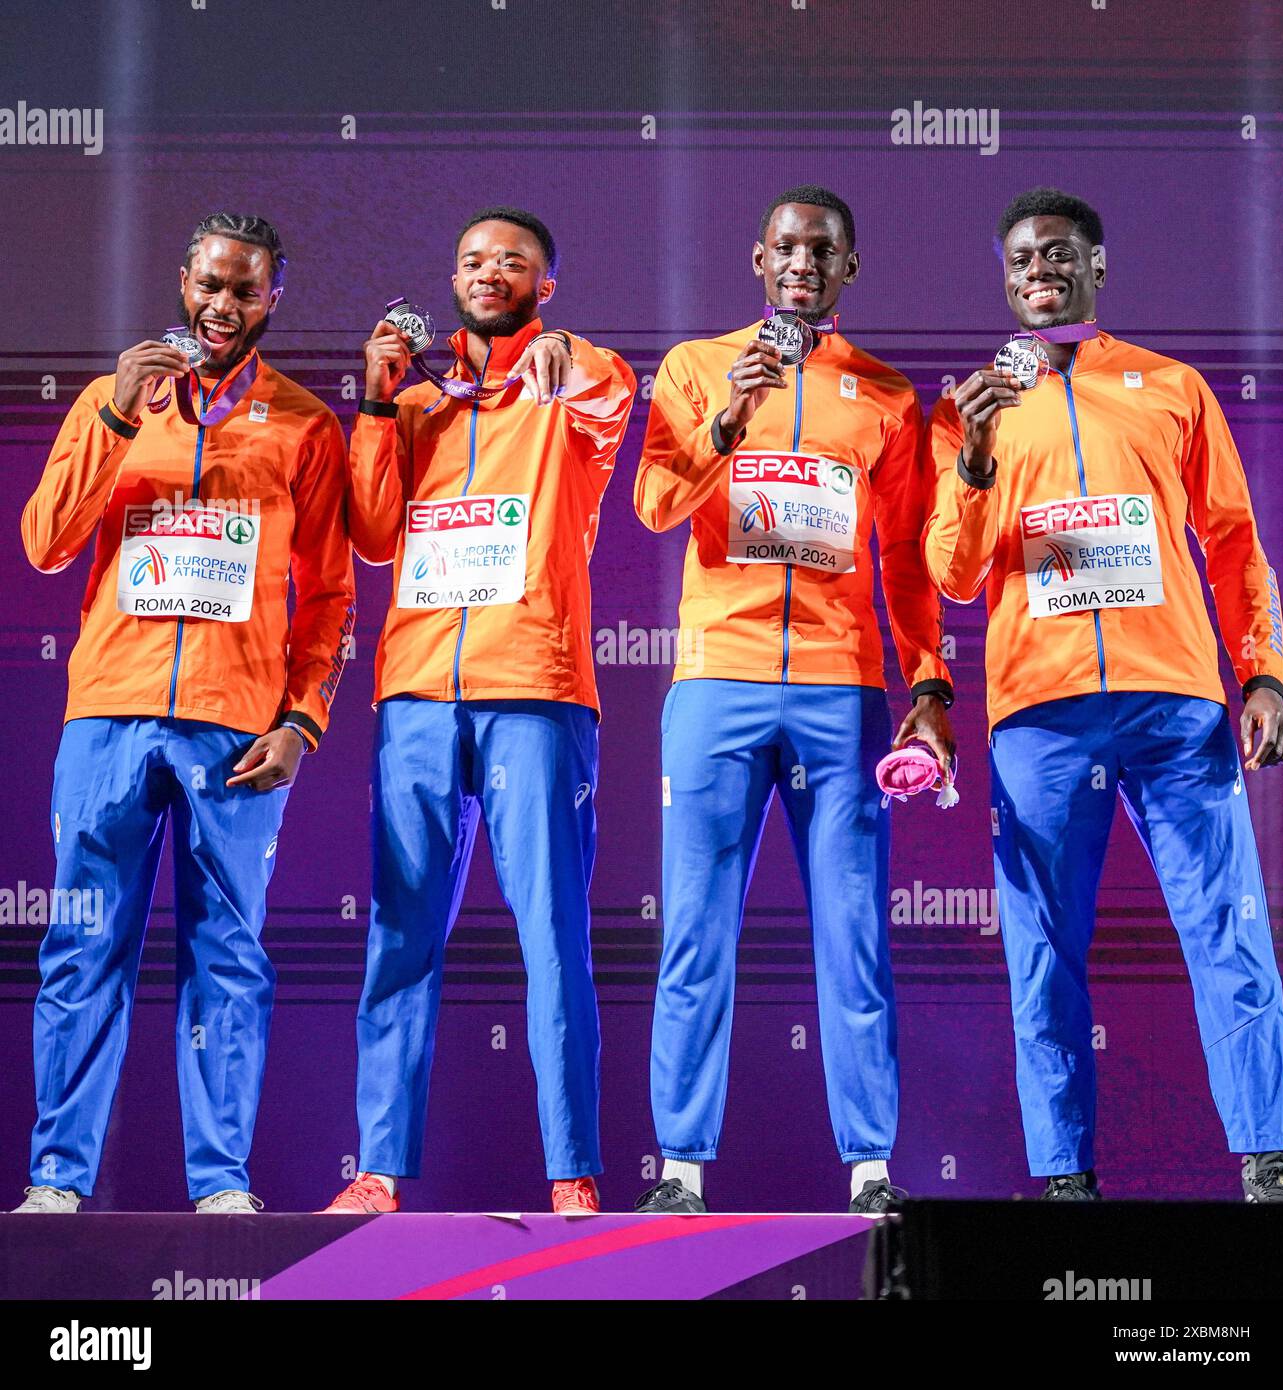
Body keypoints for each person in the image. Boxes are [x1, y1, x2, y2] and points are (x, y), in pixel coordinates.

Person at [924, 186, 1283, 1202]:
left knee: (1225, 921)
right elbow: (950, 574)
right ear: (1003, 282)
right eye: (1018, 259)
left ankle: (1269, 1158)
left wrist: (1259, 669)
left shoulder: (1170, 387)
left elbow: (1231, 540)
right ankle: (1063, 1176)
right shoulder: (970, 412)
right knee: (1041, 948)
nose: (1036, 269)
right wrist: (967, 462)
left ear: (1096, 265)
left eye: (1055, 252)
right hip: (1039, 714)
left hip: (1173, 700)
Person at [15, 212, 356, 1214]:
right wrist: (118, 419)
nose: (222, 306)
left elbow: (330, 593)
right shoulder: (110, 401)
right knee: (82, 948)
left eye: (245, 291)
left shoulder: (303, 423)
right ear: (183, 279)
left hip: (234, 726)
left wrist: (301, 722)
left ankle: (220, 1188)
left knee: (229, 959)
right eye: (210, 284)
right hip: (109, 714)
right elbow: (43, 541)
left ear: (272, 298)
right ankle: (55, 1181)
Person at [632, 186, 955, 1214]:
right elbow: (652, 506)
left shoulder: (887, 398)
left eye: (822, 250)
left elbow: (905, 560)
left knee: (851, 932)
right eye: (784, 247)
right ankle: (679, 1170)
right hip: (716, 682)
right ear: (756, 259)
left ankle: (869, 1169)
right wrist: (728, 415)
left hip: (841, 689)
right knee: (695, 930)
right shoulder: (693, 368)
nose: (802, 263)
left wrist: (929, 685)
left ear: (848, 269)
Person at [323, 207, 635, 1215]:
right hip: (416, 691)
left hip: (533, 689)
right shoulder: (416, 405)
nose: (489, 270)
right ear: (450, 278)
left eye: (514, 261)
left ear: (546, 283)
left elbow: (607, 387)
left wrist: (558, 356)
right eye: (471, 258)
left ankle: (574, 1173)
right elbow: (371, 534)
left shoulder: (566, 392)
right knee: (399, 933)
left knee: (552, 936)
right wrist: (375, 401)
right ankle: (375, 1172)